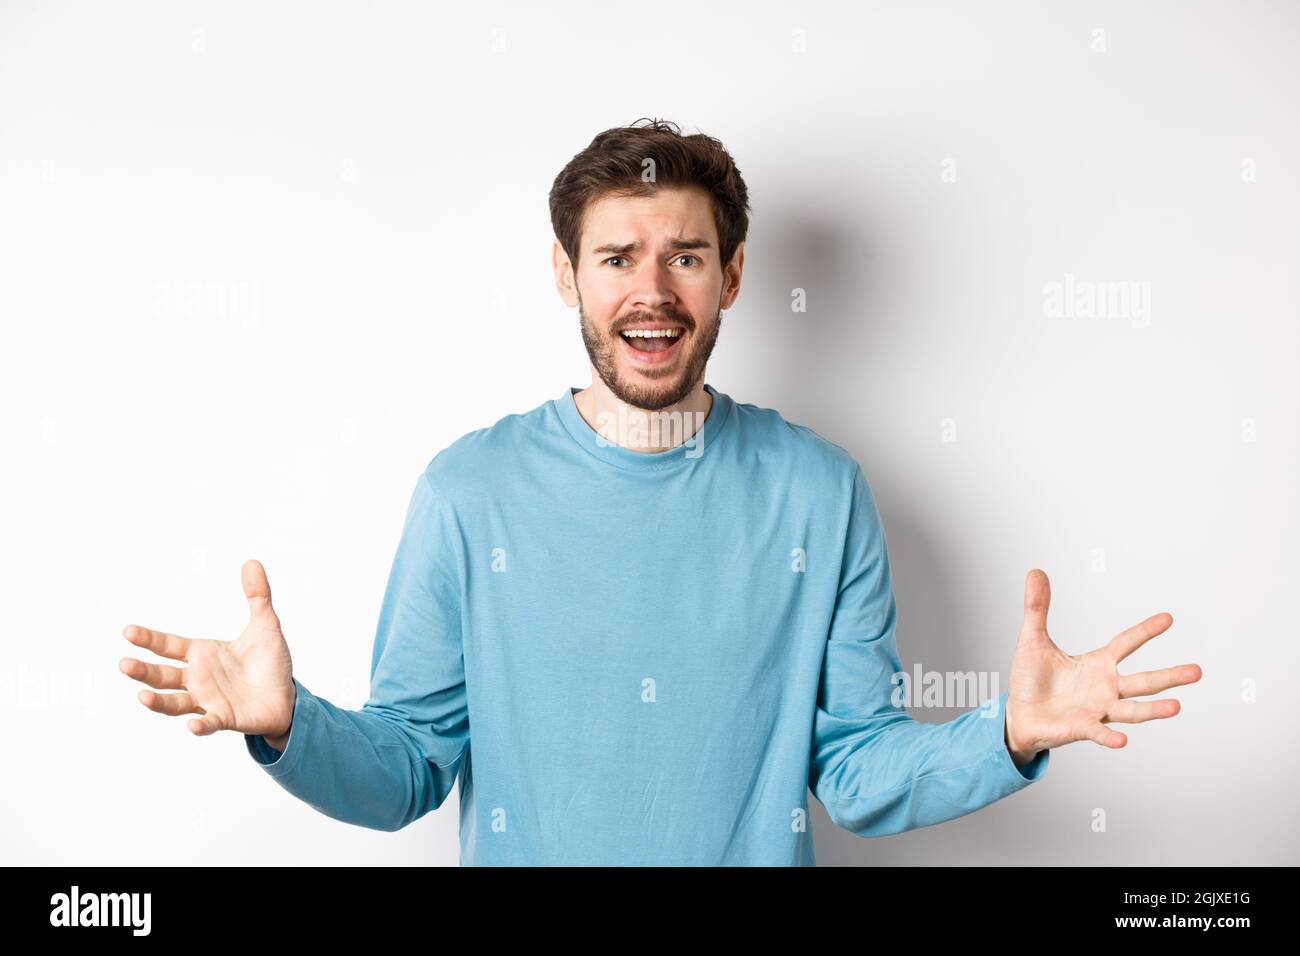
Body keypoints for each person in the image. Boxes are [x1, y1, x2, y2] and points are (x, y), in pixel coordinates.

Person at [118, 118, 1202, 865]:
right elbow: (405, 767)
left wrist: (1005, 734)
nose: (652, 290)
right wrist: (290, 726)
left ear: (732, 277)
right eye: (616, 257)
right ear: (566, 275)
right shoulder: (467, 492)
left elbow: (859, 772)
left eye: (685, 256)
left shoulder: (821, 493)